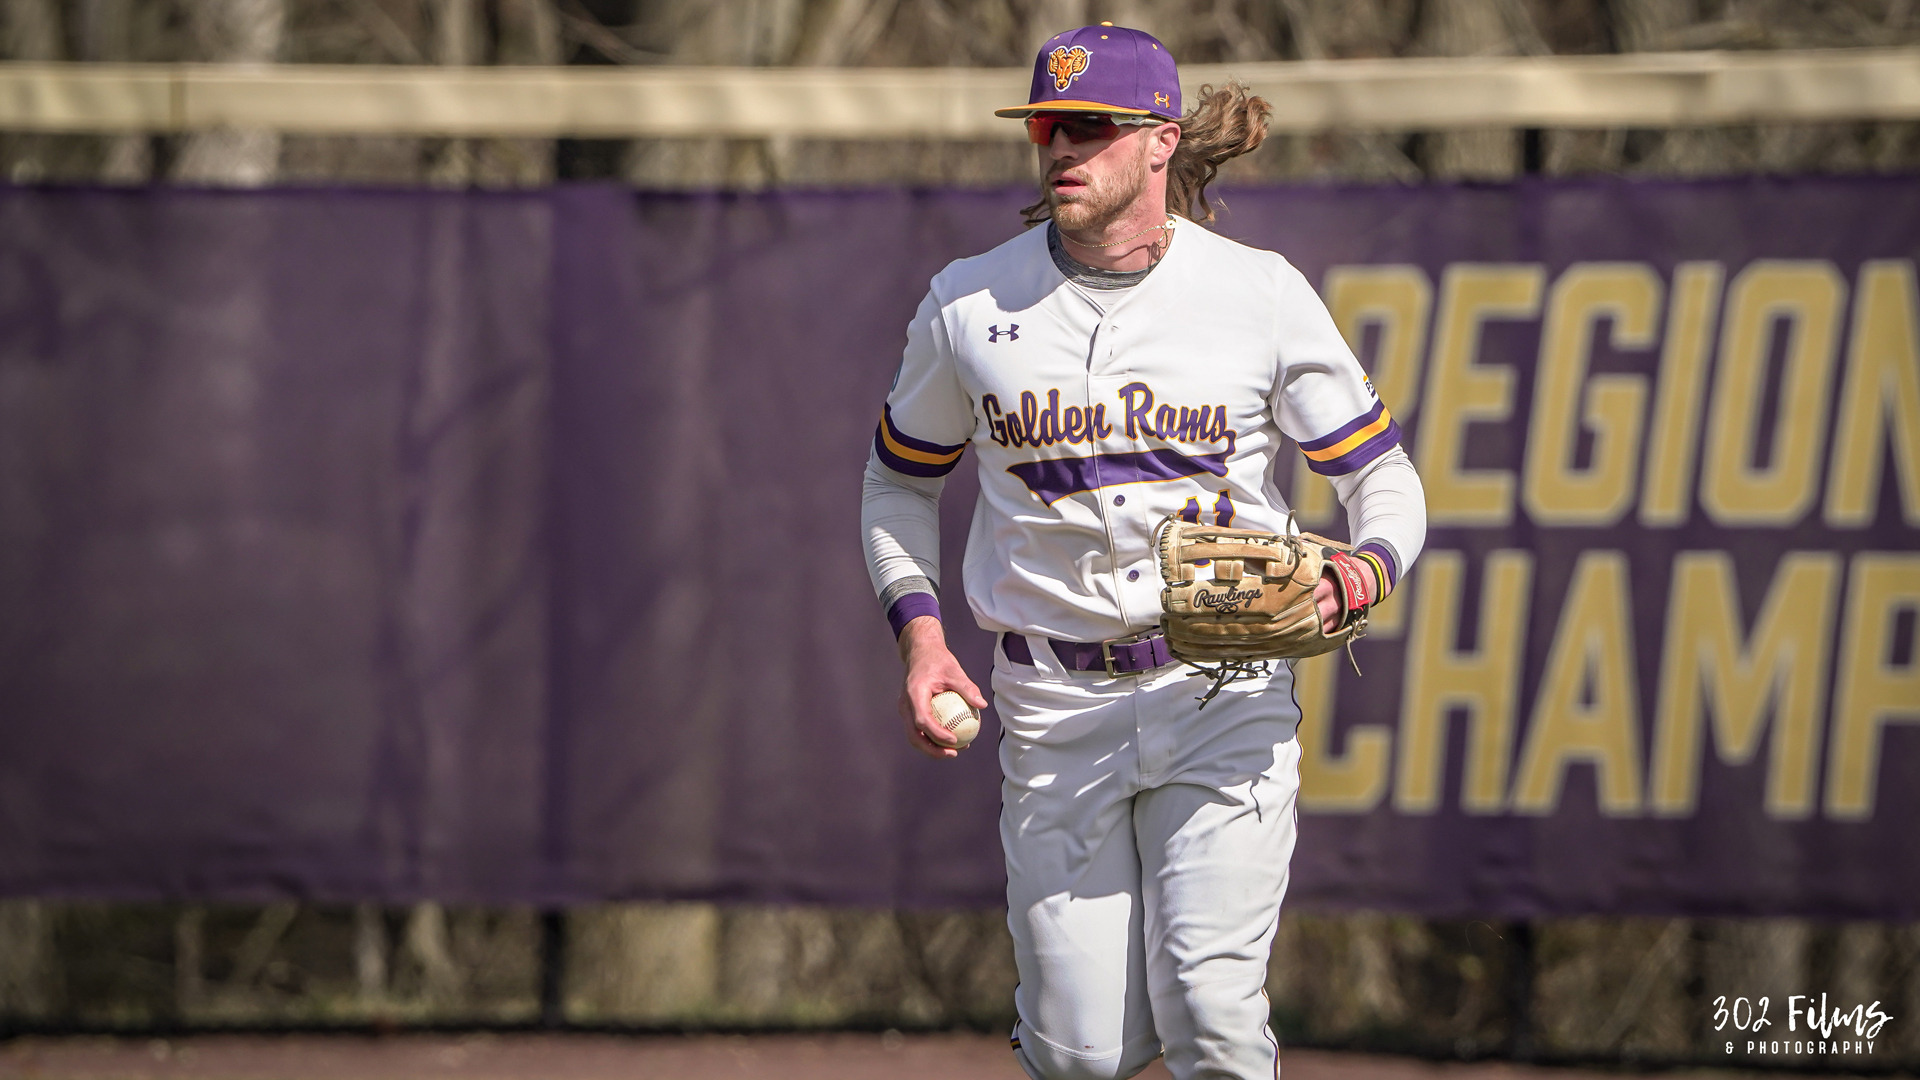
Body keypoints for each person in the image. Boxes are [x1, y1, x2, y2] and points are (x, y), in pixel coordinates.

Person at [860, 23, 1427, 1080]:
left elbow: (1383, 479)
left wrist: (1366, 566)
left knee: (1210, 1014)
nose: (1063, 146)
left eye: (1094, 127)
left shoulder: (1255, 294)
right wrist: (922, 639)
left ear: (1161, 141)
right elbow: (898, 478)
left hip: (1222, 694)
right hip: (1051, 704)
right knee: (1082, 1059)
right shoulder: (970, 306)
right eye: (1048, 125)